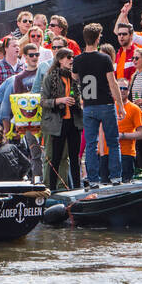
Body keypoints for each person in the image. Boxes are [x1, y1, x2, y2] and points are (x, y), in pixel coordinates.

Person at [74, 22, 124, 189]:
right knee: (113, 142)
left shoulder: (78, 59)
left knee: (90, 144)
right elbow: (113, 83)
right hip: (106, 104)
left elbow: (74, 77)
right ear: (97, 39)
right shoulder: (105, 58)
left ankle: (93, 179)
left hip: (88, 106)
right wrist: (121, 105)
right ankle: (116, 177)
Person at [39, 47, 81, 191]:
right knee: (55, 157)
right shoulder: (50, 76)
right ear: (60, 59)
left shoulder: (75, 76)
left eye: (72, 57)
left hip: (73, 121)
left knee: (75, 157)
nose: (71, 60)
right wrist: (60, 100)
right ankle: (51, 188)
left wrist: (79, 101)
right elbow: (43, 101)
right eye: (69, 57)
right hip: (58, 122)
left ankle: (77, 187)